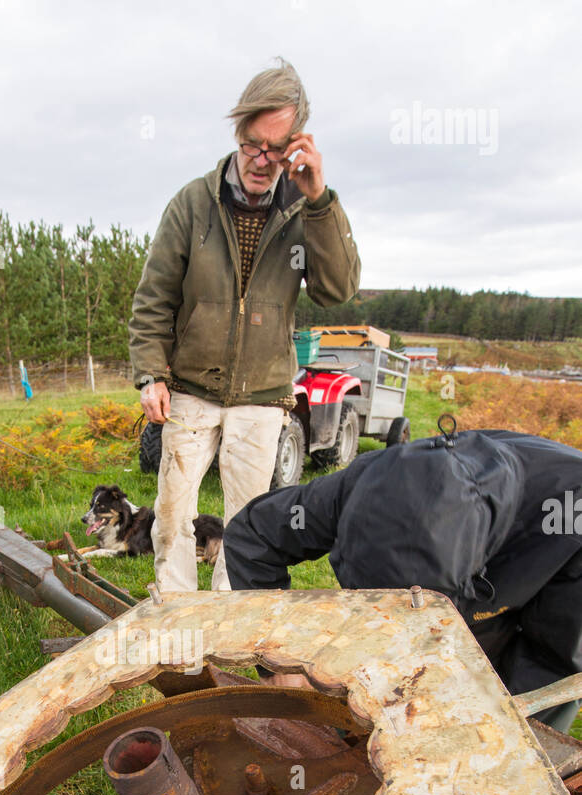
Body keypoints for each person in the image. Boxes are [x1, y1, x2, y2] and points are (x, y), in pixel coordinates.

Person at [129, 57, 361, 593]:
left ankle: (227, 633)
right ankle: (178, 630)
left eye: (276, 149)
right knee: (171, 518)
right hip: (189, 387)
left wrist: (321, 201)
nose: (261, 160)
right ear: (239, 132)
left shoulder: (306, 211)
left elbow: (336, 289)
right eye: (253, 144)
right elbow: (154, 297)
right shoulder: (192, 204)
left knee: (248, 526)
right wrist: (151, 373)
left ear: (297, 145)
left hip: (262, 395)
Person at [223, 426, 582, 732]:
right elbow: (253, 535)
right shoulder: (360, 486)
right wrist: (277, 660)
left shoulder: (568, 516)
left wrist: (485, 733)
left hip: (522, 608)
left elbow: (553, 662)